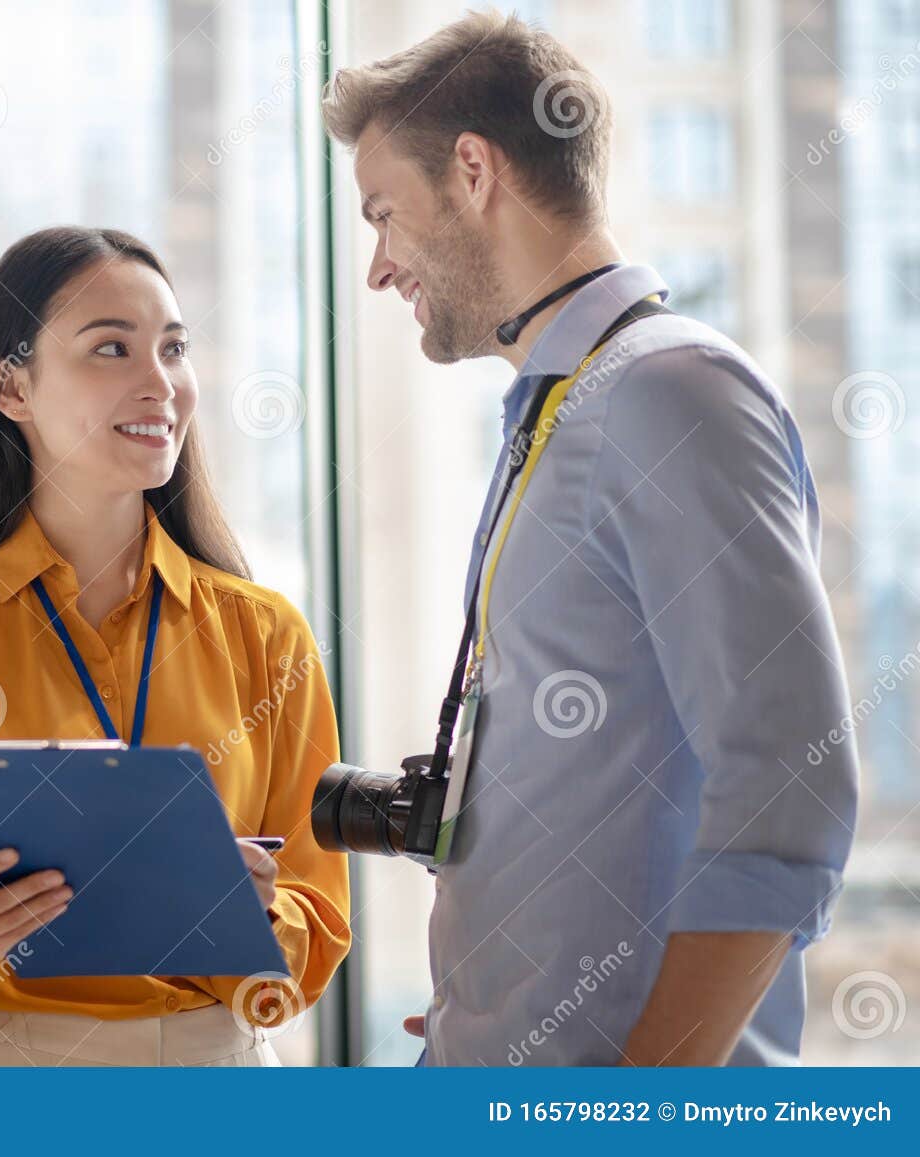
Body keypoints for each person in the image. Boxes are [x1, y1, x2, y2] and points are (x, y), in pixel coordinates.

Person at [323, 11, 858, 1066]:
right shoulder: (565, 405)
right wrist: (508, 997)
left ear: (472, 170)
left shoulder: (666, 390)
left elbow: (791, 778)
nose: (379, 268)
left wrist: (641, 1100)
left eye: (384, 214)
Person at [0, 226, 351, 1066]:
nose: (161, 385)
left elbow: (315, 939)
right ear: (12, 390)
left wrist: (254, 923)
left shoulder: (267, 635)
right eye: (112, 348)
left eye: (174, 350)